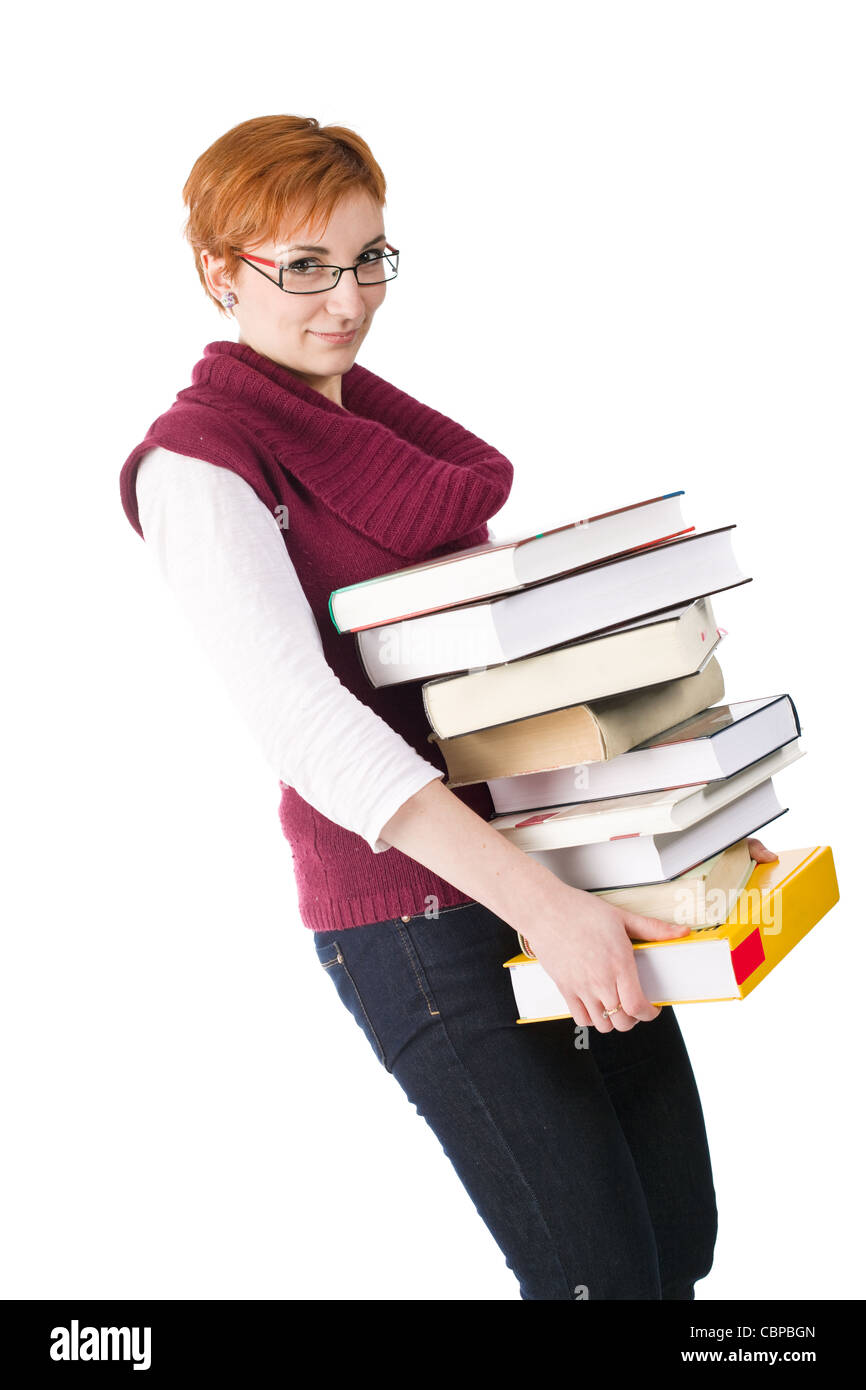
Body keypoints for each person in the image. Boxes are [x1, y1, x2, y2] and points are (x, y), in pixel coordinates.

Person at [119, 113, 778, 1300]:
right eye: (303, 265)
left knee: (675, 1251)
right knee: (600, 1281)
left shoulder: (369, 431)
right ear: (220, 271)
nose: (347, 298)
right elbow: (310, 729)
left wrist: (678, 805)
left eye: (368, 257)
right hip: (419, 922)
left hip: (550, 872)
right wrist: (550, 911)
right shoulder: (200, 465)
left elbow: (488, 682)